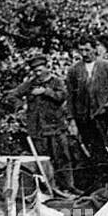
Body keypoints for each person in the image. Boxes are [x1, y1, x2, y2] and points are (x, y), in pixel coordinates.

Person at [8, 54, 76, 194]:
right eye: (35, 71)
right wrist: (21, 107)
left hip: (56, 127)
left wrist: (45, 91)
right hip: (38, 129)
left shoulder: (57, 82)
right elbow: (12, 95)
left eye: (40, 70)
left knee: (62, 158)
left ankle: (68, 187)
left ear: (47, 68)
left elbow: (62, 97)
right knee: (41, 160)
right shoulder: (30, 83)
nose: (37, 74)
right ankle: (45, 189)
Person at [65, 40, 108, 192]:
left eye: (87, 50)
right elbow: (70, 97)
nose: (84, 53)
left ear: (95, 50)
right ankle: (95, 184)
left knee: (107, 149)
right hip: (84, 119)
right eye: (81, 50)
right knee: (90, 151)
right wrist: (72, 120)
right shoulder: (74, 70)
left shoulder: (107, 67)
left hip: (104, 117)